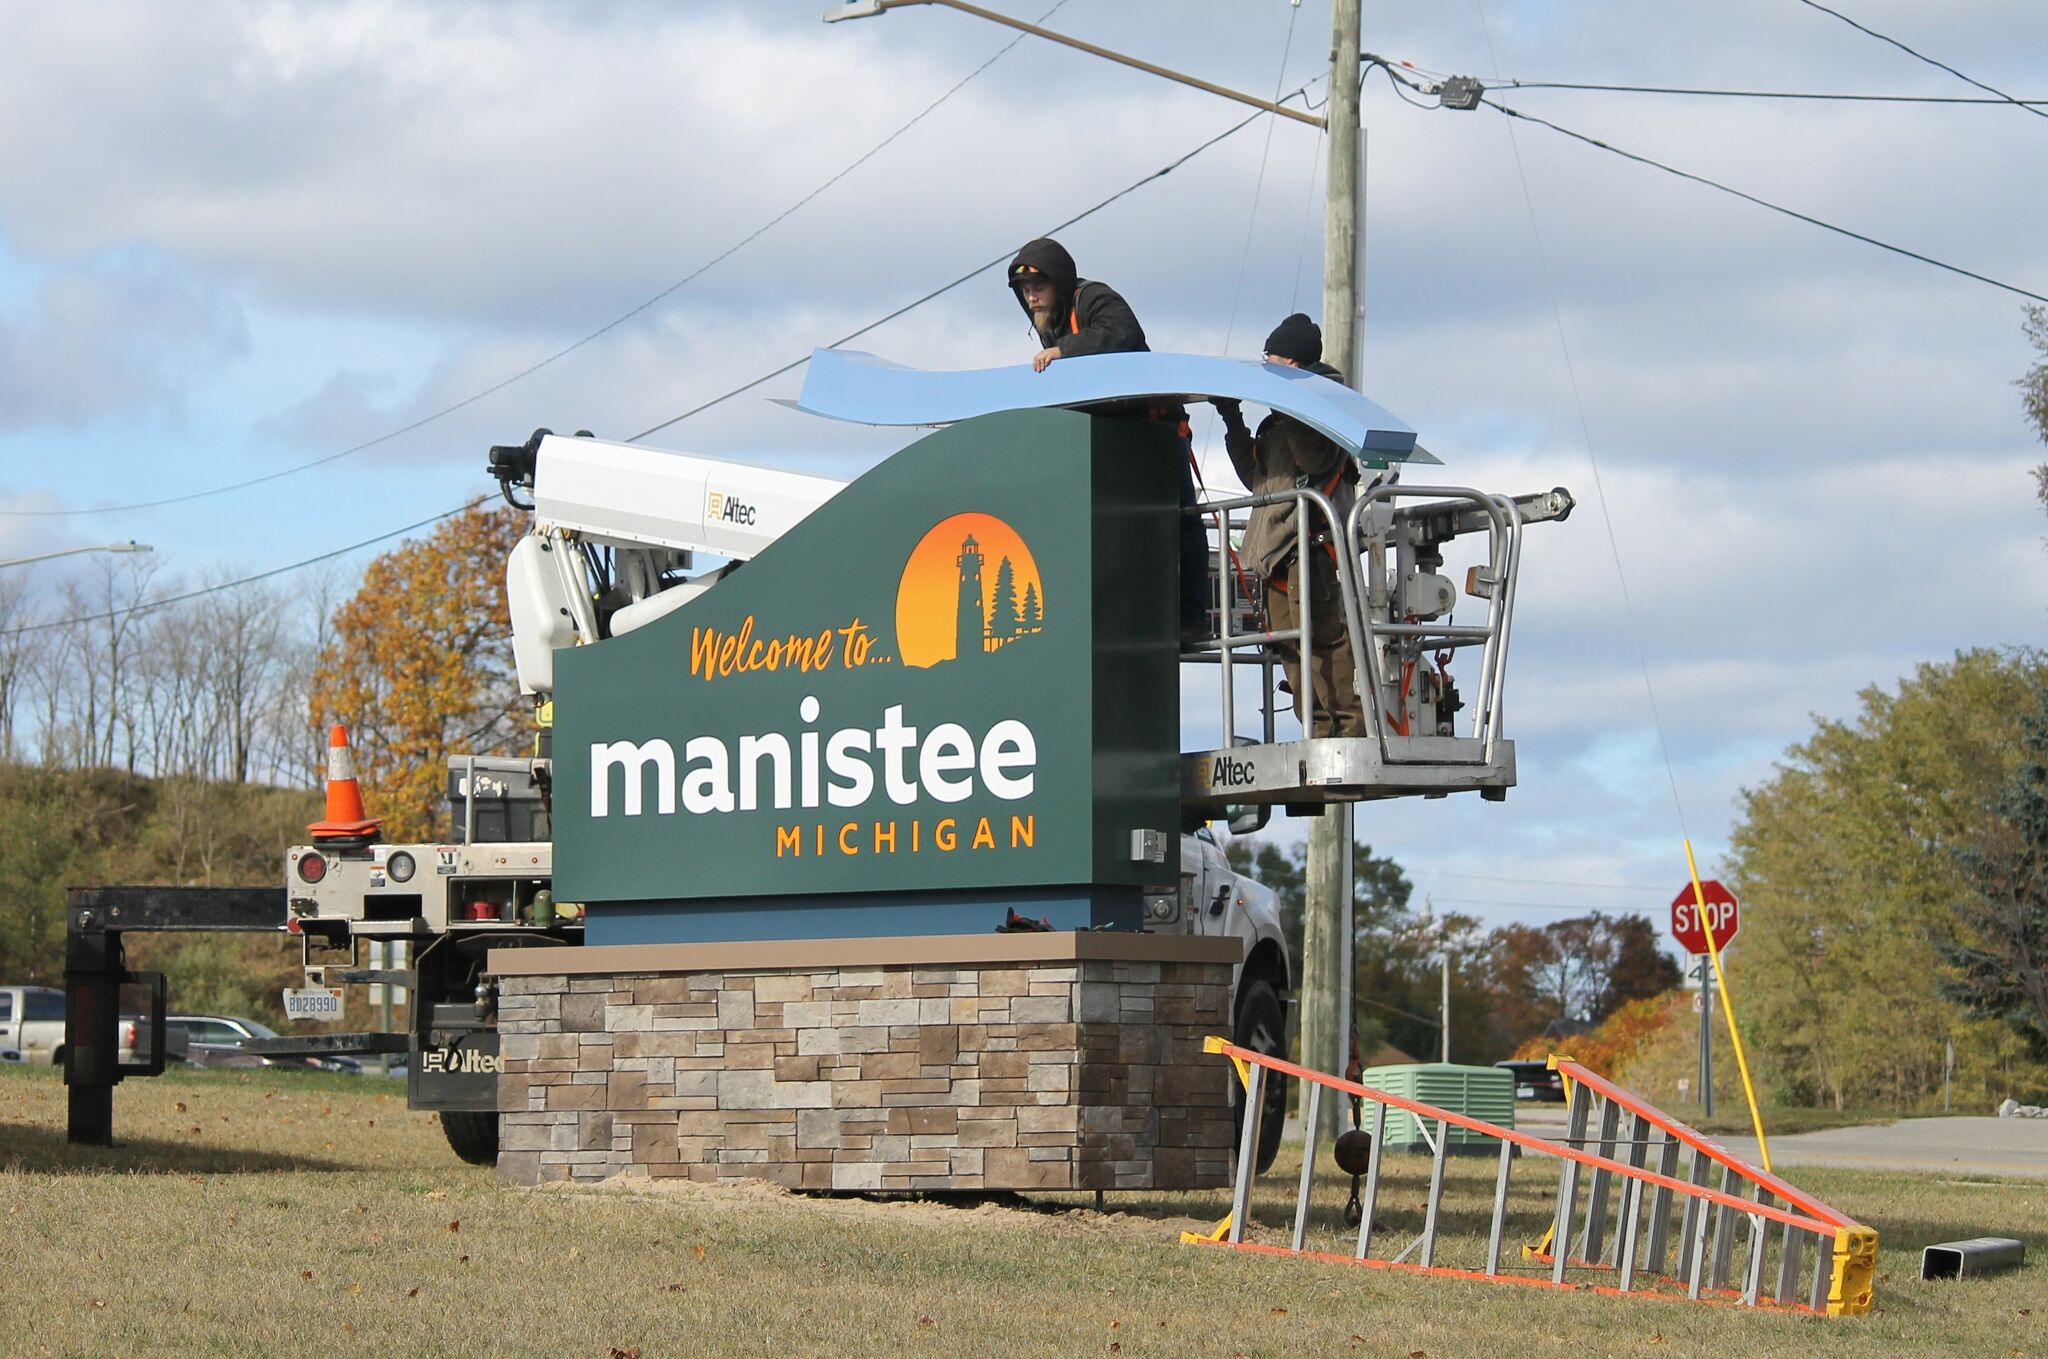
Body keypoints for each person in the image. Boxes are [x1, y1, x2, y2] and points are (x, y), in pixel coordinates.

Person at [1006, 237, 1209, 639]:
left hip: (1155, 430)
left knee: (1181, 519)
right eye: (1025, 291)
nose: (1032, 298)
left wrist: (1064, 350)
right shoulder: (1053, 326)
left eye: (1039, 287)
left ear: (1060, 283)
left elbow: (1124, 333)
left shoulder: (1093, 299)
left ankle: (1190, 619)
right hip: (1110, 440)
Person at [1215, 313, 1366, 738]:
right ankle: (1317, 729)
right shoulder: (1280, 421)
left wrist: (1290, 406)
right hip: (1281, 549)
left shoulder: (1329, 406)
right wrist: (1233, 420)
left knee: (1322, 638)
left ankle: (1347, 729)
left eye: (1273, 358)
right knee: (1291, 641)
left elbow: (1318, 462)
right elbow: (1257, 478)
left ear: (1294, 365)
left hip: (1311, 546)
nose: (1266, 364)